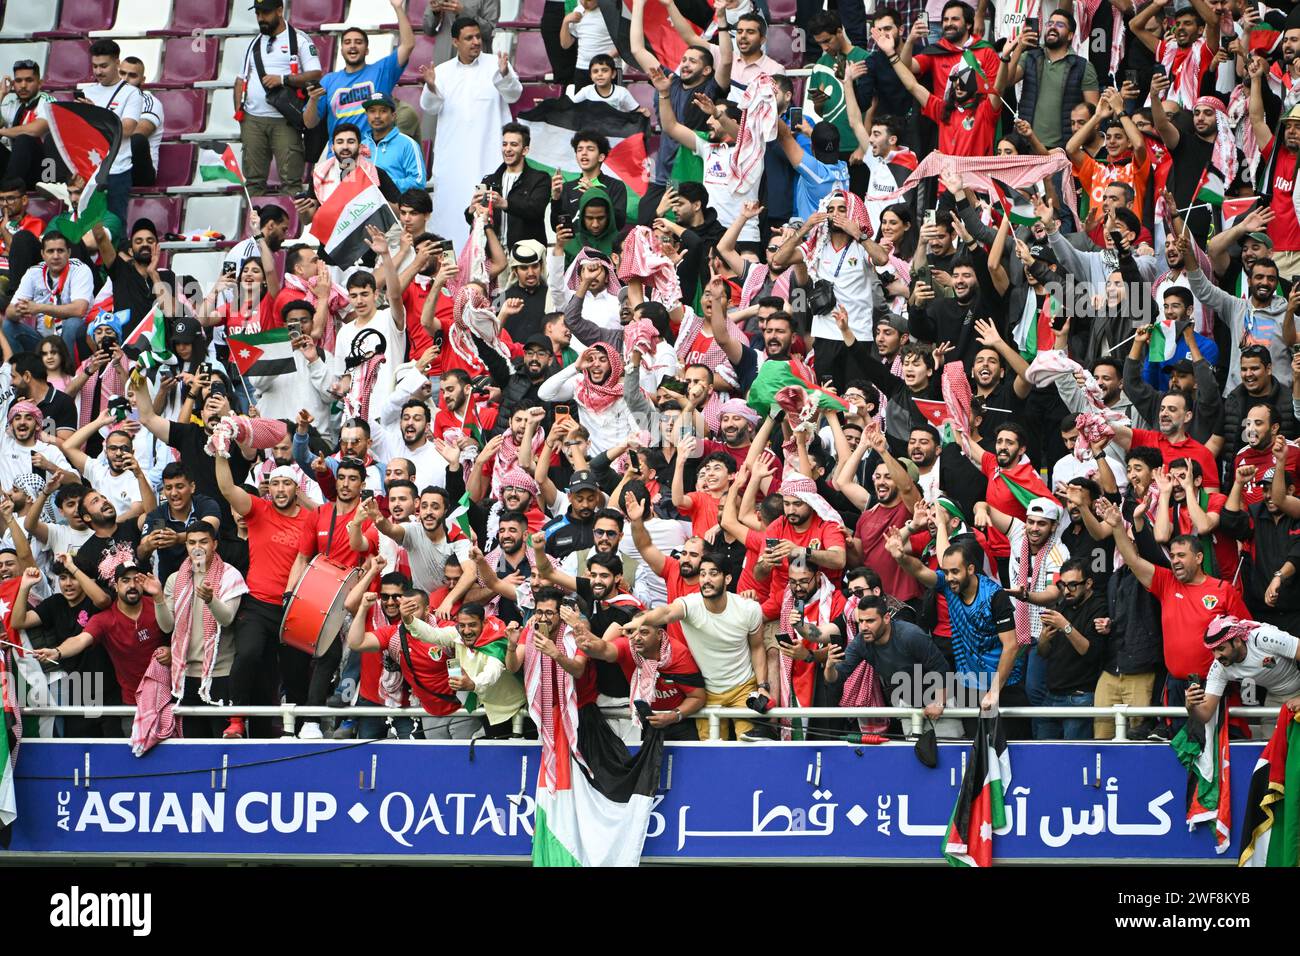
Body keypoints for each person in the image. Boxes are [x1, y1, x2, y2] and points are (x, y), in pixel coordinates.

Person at [1099, 498, 1251, 739]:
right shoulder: (1166, 582)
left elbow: (1248, 633)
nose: (1175, 560)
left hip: (1215, 686)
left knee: (1216, 750)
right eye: (1172, 556)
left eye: (1182, 555)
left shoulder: (1223, 590)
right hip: (1177, 686)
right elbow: (1133, 560)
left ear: (1199, 558)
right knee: (1179, 752)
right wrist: (1117, 526)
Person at [888, 533, 1027, 738]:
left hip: (1004, 686)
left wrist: (994, 692)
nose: (950, 577)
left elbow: (1011, 646)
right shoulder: (947, 585)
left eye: (955, 571)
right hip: (970, 686)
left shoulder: (994, 596)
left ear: (970, 569)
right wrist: (900, 557)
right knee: (975, 751)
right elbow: (918, 570)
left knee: (1011, 753)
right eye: (946, 571)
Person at [623, 553, 768, 741]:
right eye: (702, 574)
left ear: (728, 578)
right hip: (707, 692)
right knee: (711, 755)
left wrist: (763, 686)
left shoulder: (748, 609)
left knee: (746, 748)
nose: (706, 580)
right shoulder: (690, 604)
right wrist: (641, 621)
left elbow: (757, 648)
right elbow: (666, 613)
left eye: (713, 573)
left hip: (743, 687)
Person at [420, 18, 523, 248]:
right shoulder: (443, 72)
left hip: (489, 159)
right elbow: (429, 107)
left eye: (478, 36)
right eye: (469, 38)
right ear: (455, 41)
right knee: (451, 219)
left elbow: (514, 95)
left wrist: (505, 74)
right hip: (453, 163)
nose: (476, 42)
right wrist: (432, 87)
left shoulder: (495, 64)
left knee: (489, 224)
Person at [33, 563, 168, 736]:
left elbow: (177, 634)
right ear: (116, 585)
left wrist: (171, 650)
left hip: (167, 696)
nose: (132, 586)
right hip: (131, 701)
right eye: (125, 581)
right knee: (131, 757)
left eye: (137, 580)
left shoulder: (157, 605)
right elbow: (81, 640)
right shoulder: (106, 619)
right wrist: (57, 652)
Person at [153, 523, 248, 738]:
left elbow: (227, 619)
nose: (198, 547)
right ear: (186, 545)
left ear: (214, 544)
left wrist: (210, 599)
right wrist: (158, 598)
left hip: (221, 674)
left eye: (203, 542)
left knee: (224, 746)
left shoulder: (230, 575)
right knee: (194, 746)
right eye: (192, 542)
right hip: (186, 675)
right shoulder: (174, 579)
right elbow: (167, 626)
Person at [346, 587, 479, 739]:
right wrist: (363, 608)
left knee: (466, 758)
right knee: (438, 759)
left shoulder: (444, 628)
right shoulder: (393, 635)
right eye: (405, 607)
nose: (407, 613)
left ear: (427, 609)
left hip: (461, 709)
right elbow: (356, 643)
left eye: (413, 608)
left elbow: (468, 653)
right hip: (430, 713)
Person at [235, 0, 323, 197]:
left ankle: (290, 227)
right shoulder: (254, 42)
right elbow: (240, 80)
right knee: (253, 182)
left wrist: (284, 79)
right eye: (258, 13)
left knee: (291, 182)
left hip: (285, 120)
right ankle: (256, 227)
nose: (260, 18)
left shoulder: (300, 39)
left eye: (265, 13)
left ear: (279, 10)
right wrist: (240, 116)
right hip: (252, 120)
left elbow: (316, 74)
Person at [575, 613, 706, 740]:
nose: (636, 638)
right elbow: (604, 649)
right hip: (648, 720)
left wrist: (673, 716)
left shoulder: (677, 654)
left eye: (644, 632)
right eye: (632, 632)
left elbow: (697, 697)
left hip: (680, 720)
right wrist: (589, 646)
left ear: (659, 634)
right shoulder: (628, 646)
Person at [304, 2, 416, 140]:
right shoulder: (328, 80)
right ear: (341, 50)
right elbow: (309, 123)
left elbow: (408, 44)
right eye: (347, 42)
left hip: (372, 154)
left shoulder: (382, 70)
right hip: (340, 155)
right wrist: (313, 100)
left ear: (367, 50)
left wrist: (398, 8)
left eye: (358, 42)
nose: (352, 46)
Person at [995, 9, 1099, 150]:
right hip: (1026, 146)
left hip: (1062, 150)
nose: (1053, 27)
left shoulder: (1083, 66)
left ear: (1070, 36)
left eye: (1060, 25)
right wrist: (1019, 48)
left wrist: (1078, 146)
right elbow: (1007, 82)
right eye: (1050, 23)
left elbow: (1094, 114)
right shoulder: (1030, 57)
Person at [1035, 558, 1106, 740]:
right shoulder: (1062, 607)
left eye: (1073, 585)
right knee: (1044, 757)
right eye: (1063, 585)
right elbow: (1044, 653)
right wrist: (1043, 639)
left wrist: (1066, 626)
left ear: (1088, 583)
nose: (1066, 591)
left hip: (1079, 698)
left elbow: (1089, 652)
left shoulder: (1100, 607)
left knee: (1074, 761)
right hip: (1051, 696)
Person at [1186, 615, 1300, 724]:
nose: (1216, 656)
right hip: (1274, 696)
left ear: (1237, 641)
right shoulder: (1219, 667)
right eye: (1213, 650)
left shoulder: (1263, 638)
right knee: (1270, 742)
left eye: (1221, 648)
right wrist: (1191, 706)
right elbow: (1205, 715)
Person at [4, 232, 93, 355]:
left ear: (69, 253)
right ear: (43, 254)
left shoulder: (80, 269)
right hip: (42, 342)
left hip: (71, 339)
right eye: (50, 251)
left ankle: (69, 372)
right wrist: (20, 310)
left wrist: (39, 308)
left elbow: (79, 310)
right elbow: (9, 311)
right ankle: (21, 370)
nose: (55, 256)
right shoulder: (33, 273)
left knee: (73, 323)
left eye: (60, 251)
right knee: (8, 325)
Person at [477, 123, 551, 249]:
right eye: (504, 144)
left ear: (525, 150)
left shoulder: (540, 178)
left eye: (514, 144)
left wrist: (504, 203)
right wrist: (472, 210)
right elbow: (474, 220)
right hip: (494, 255)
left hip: (525, 256)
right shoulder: (490, 180)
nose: (508, 149)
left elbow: (535, 210)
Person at [359, 93, 425, 194]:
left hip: (397, 205)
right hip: (364, 205)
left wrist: (384, 185)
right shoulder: (361, 146)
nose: (377, 116)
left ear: (393, 116)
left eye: (383, 111)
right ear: (366, 115)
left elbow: (418, 182)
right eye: (372, 111)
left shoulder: (408, 144)